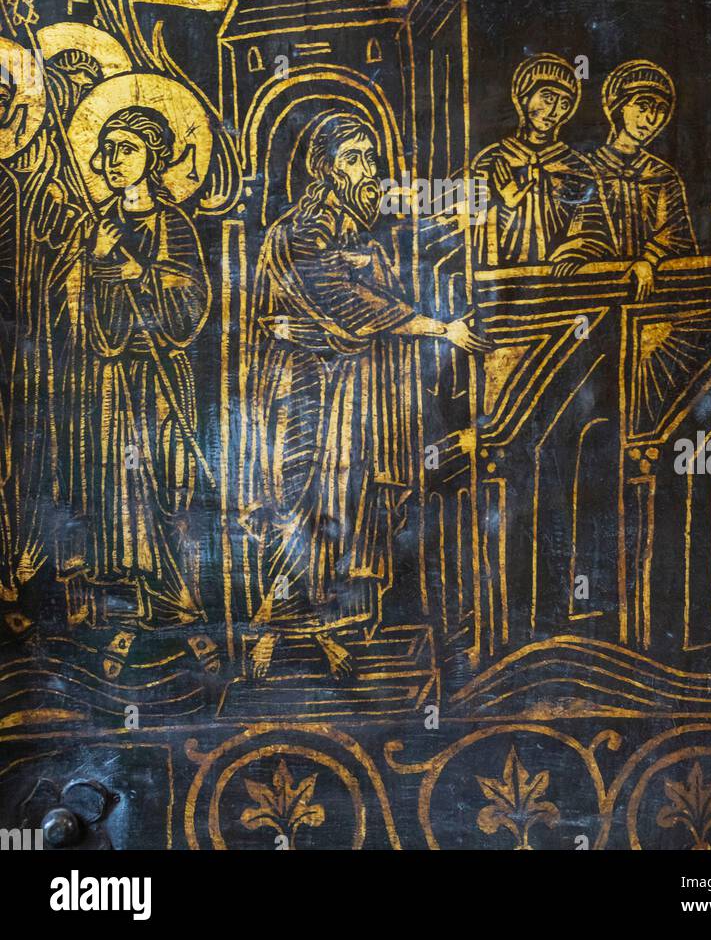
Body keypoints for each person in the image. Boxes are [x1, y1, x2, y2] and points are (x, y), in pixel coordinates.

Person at [245, 111, 490, 680]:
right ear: (323, 168)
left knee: (349, 504)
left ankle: (323, 630)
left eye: (370, 158)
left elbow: (365, 292)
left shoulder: (351, 227)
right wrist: (438, 328)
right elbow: (343, 300)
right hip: (308, 389)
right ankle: (273, 624)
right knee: (309, 502)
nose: (366, 170)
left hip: (349, 390)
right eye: (352, 159)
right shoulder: (308, 227)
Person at [56, 104, 213, 678]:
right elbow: (92, 324)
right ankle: (144, 609)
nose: (111, 161)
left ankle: (183, 606)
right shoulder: (97, 226)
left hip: (167, 377)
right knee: (127, 493)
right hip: (119, 381)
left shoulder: (175, 223)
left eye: (125, 148)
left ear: (153, 154)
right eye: (106, 150)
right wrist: (100, 264)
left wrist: (142, 275)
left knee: (173, 484)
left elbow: (193, 300)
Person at [558, 60, 696, 298]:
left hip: (654, 293)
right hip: (601, 292)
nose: (651, 118)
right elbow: (578, 232)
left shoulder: (662, 175)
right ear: (620, 106)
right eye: (642, 106)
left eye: (660, 109)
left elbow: (677, 237)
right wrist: (576, 255)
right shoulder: (587, 169)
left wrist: (649, 259)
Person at [472, 54, 613, 267]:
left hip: (562, 280)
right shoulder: (491, 160)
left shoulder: (577, 166)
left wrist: (575, 252)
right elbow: (470, 231)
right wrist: (504, 205)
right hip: (500, 281)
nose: (553, 111)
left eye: (564, 103)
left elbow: (595, 229)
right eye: (547, 97)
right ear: (524, 96)